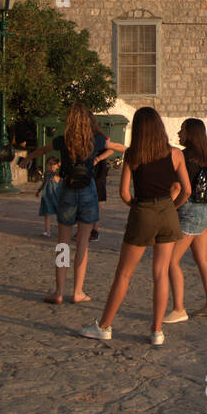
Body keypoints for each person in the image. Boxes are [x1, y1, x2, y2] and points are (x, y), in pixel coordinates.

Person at [81, 107, 189, 345]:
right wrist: (172, 206)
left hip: (143, 211)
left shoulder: (133, 155)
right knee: (160, 273)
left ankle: (105, 325)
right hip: (168, 213)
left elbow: (123, 192)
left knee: (124, 273)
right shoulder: (175, 154)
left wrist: (137, 207)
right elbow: (187, 190)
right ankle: (157, 330)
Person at [21, 104, 114, 305]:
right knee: (83, 242)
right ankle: (78, 291)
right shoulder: (95, 140)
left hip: (67, 191)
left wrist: (27, 158)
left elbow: (42, 150)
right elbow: (116, 147)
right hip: (88, 191)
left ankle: (59, 291)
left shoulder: (63, 141)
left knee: (63, 243)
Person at [164, 118, 207, 324]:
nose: (179, 133)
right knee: (203, 259)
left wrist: (168, 209)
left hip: (189, 212)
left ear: (190, 135)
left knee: (171, 261)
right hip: (206, 211)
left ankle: (179, 308)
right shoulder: (206, 158)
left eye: (182, 130)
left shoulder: (183, 157)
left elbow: (178, 188)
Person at [37, 156, 61, 237]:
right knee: (46, 214)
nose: (51, 166)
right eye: (49, 164)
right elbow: (44, 183)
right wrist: (39, 190)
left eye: (53, 164)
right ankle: (47, 231)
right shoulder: (46, 174)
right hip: (47, 197)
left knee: (59, 214)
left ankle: (61, 230)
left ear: (58, 165)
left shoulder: (58, 175)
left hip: (56, 197)